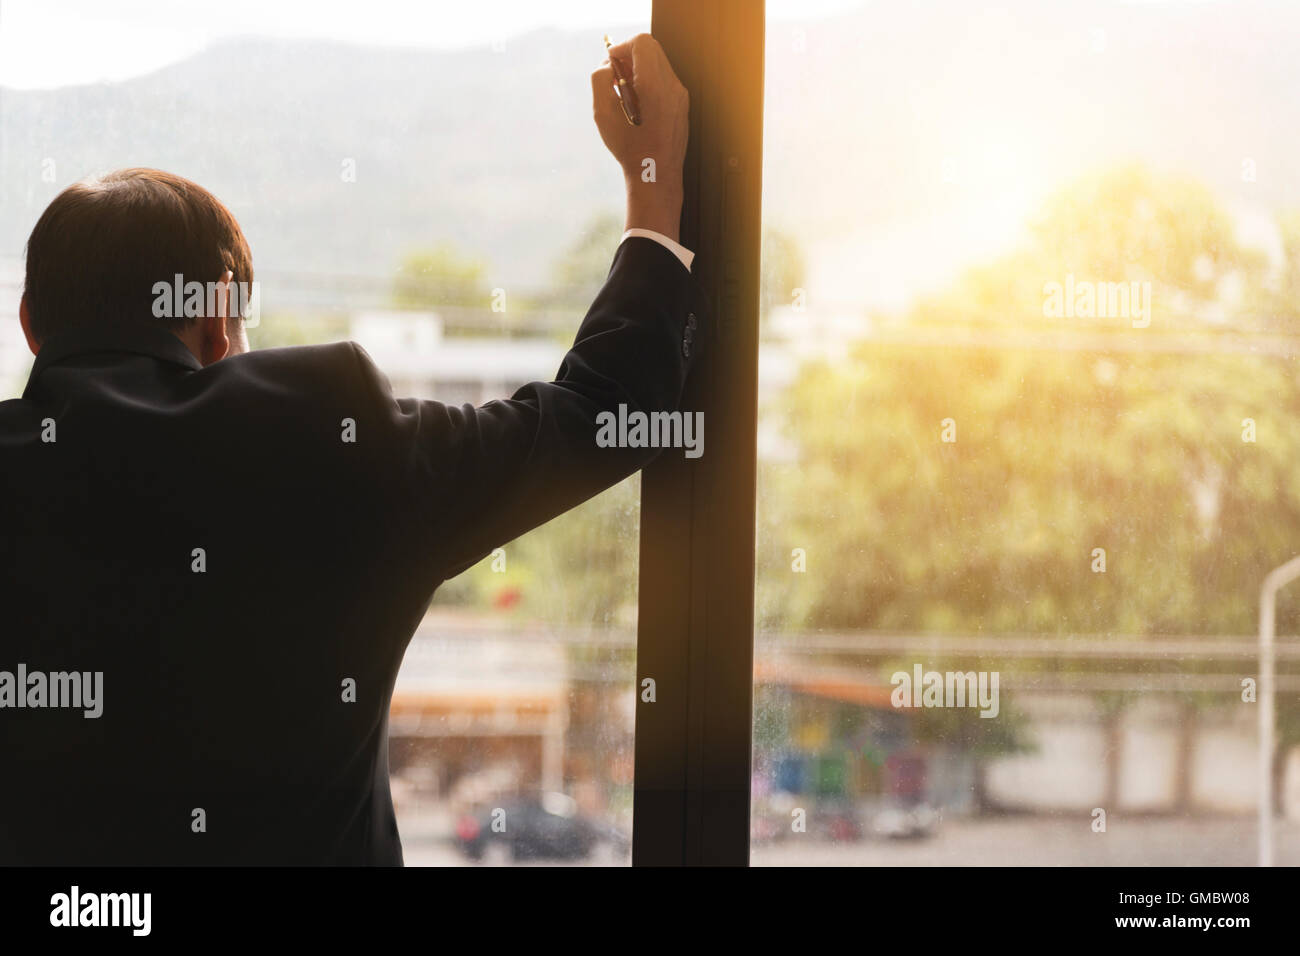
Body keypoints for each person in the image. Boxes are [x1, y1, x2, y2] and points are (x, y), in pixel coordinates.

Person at [0, 34, 699, 865]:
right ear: (220, 321)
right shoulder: (326, 440)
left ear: (33, 327)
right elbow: (605, 410)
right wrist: (651, 176)